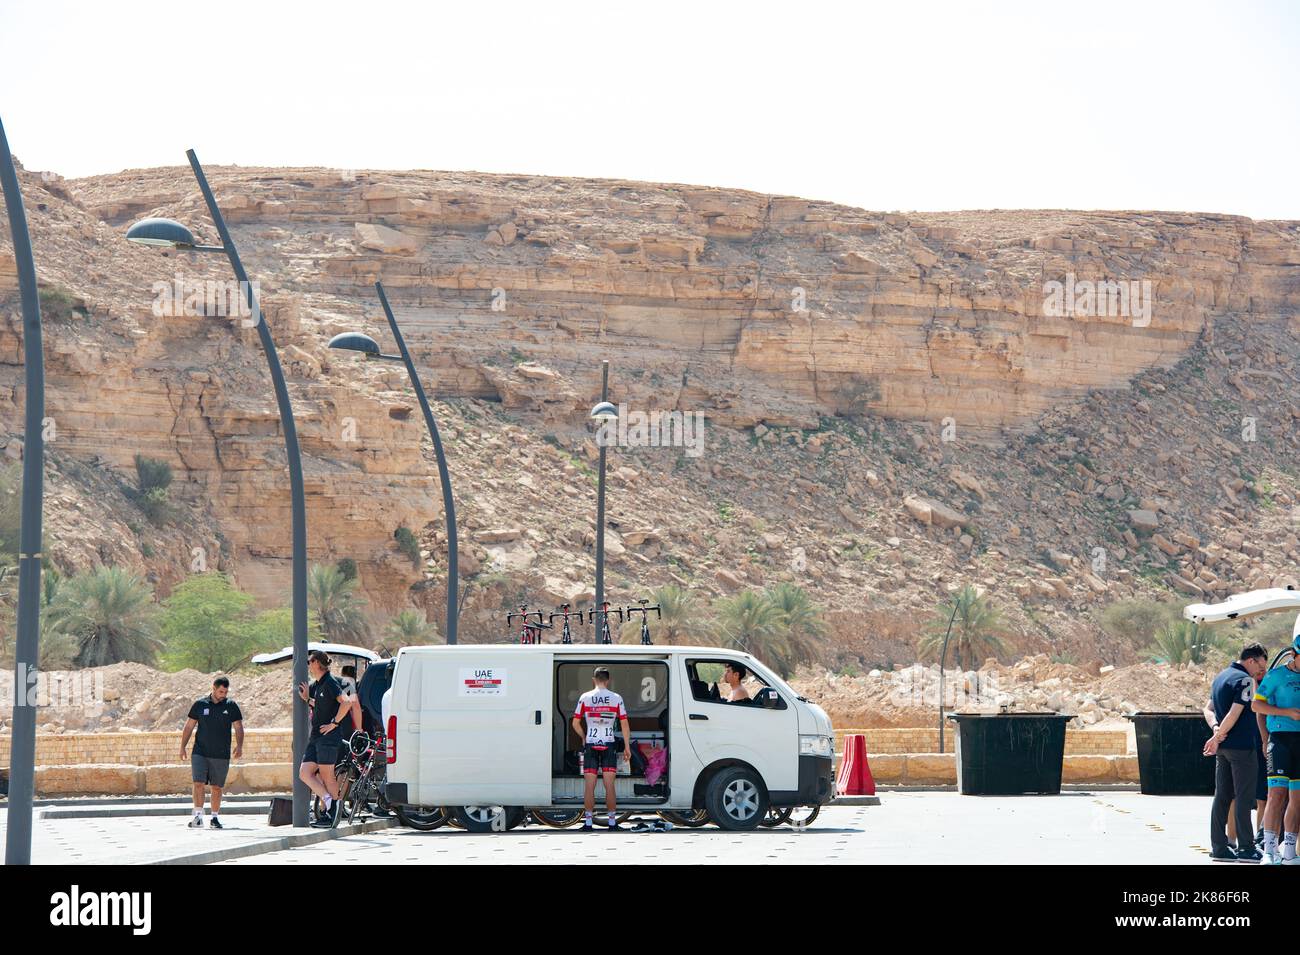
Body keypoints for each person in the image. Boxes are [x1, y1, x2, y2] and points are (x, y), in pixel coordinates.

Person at [1202, 642, 1268, 861]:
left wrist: (1215, 731)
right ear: (1251, 660)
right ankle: (1246, 848)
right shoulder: (1245, 680)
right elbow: (1235, 712)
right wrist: (1217, 735)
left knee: (1222, 796)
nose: (1262, 672)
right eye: (1260, 667)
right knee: (1243, 797)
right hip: (1242, 748)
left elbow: (1208, 709)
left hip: (1224, 749)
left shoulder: (1221, 677)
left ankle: (1219, 848)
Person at [1252, 636, 1300, 864]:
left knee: (1297, 798)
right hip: (1280, 739)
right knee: (1276, 795)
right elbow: (1256, 705)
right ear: (1294, 655)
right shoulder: (1276, 676)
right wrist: (1287, 712)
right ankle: (1270, 850)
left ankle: (1290, 850)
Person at [179, 676, 243, 830]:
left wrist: (239, 746)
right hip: (200, 751)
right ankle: (198, 817)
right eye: (221, 691)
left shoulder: (231, 706)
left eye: (226, 692)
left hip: (221, 753)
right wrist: (182, 747)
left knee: (216, 787)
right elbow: (189, 727)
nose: (223, 695)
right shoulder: (200, 704)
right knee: (198, 783)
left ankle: (214, 818)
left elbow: (239, 727)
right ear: (213, 688)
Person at [572, 666, 632, 831]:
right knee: (609, 785)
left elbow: (575, 723)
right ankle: (612, 823)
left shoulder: (585, 697)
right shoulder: (616, 698)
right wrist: (627, 747)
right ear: (608, 680)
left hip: (591, 744)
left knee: (589, 785)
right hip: (608, 743)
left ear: (594, 680)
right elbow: (625, 724)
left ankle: (589, 823)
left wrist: (583, 737)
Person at [298, 650, 352, 827]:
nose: (308, 664)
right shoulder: (318, 684)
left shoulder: (329, 682)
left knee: (328, 776)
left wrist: (335, 723)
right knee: (304, 773)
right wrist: (307, 699)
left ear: (316, 663)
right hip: (316, 738)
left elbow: (347, 702)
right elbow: (321, 705)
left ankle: (333, 813)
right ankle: (329, 801)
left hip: (328, 738)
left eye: (309, 661)